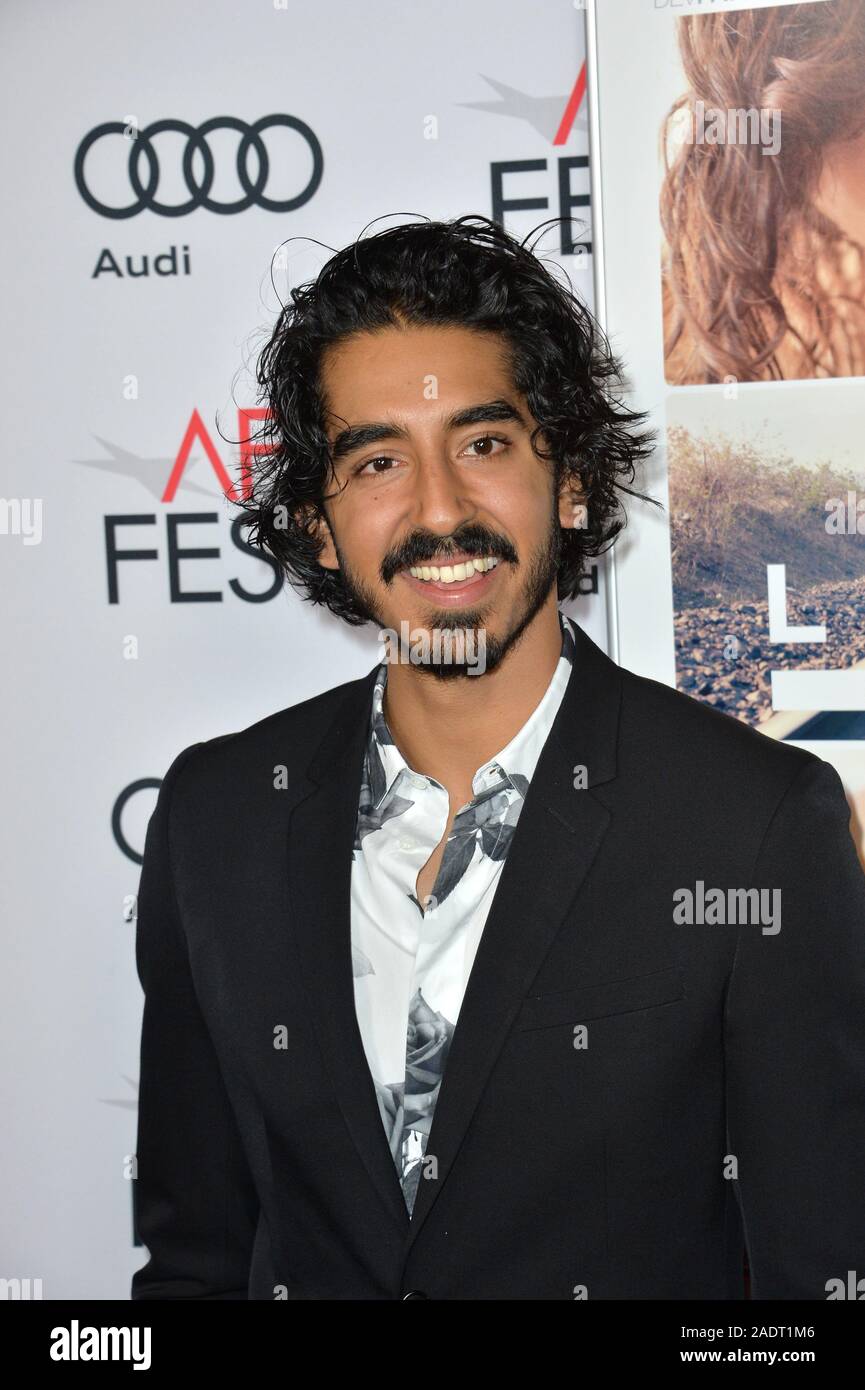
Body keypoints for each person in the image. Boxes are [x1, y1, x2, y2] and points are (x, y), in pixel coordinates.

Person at [131, 214, 865, 1300]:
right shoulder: (217, 816)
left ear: (567, 478)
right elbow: (196, 1255)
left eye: (484, 444)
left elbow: (820, 1282)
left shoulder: (750, 824)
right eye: (377, 460)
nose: (440, 510)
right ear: (319, 525)